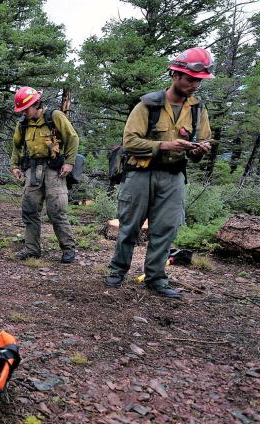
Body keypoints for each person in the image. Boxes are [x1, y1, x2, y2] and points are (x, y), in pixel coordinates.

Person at [105, 47, 213, 298]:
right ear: (175, 75)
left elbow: (203, 140)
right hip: (140, 174)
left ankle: (156, 277)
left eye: (198, 81)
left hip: (174, 176)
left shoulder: (197, 109)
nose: (195, 85)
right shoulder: (148, 105)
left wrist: (200, 149)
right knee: (129, 226)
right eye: (190, 79)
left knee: (165, 228)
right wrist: (164, 145)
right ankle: (117, 270)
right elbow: (130, 142)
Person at [10, 86, 78, 263]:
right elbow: (16, 145)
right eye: (22, 110)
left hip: (54, 169)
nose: (24, 113)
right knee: (29, 210)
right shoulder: (23, 124)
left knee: (56, 210)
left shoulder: (54, 116)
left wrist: (69, 162)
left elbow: (72, 138)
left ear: (35, 104)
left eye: (26, 109)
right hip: (32, 169)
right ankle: (32, 249)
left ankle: (68, 248)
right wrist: (15, 166)